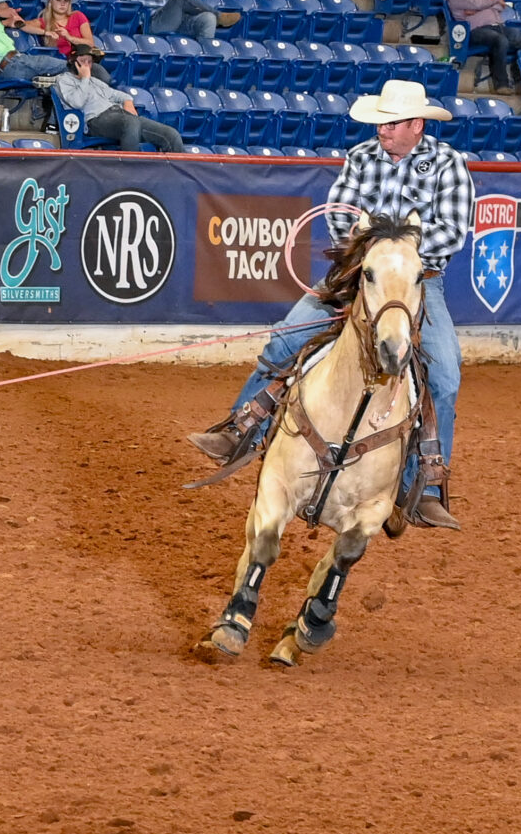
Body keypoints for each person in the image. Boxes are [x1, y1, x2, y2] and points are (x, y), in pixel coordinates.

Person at [188, 78, 471, 520]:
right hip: (354, 274)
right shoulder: (361, 159)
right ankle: (242, 427)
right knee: (284, 339)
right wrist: (376, 253)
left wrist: (385, 246)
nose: (381, 130)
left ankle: (424, 482)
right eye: (380, 123)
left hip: (417, 284)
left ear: (416, 125)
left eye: (390, 123)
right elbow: (340, 218)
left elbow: (451, 232)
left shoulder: (448, 165)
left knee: (445, 376)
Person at [52, 46, 183, 152]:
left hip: (120, 115)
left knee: (171, 134)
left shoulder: (95, 82)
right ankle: (130, 172)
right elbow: (77, 102)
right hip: (96, 120)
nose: (87, 65)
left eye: (89, 61)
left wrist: (128, 101)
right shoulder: (64, 80)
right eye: (83, 61)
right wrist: (85, 78)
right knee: (130, 122)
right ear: (72, 61)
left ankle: (181, 179)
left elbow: (119, 95)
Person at [30, 0, 98, 57]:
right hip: (61, 63)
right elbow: (24, 25)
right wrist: (45, 32)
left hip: (82, 60)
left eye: (66, 0)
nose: (62, 4)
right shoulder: (44, 21)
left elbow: (90, 43)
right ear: (51, 1)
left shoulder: (78, 16)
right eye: (58, 0)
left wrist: (69, 37)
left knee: (96, 67)